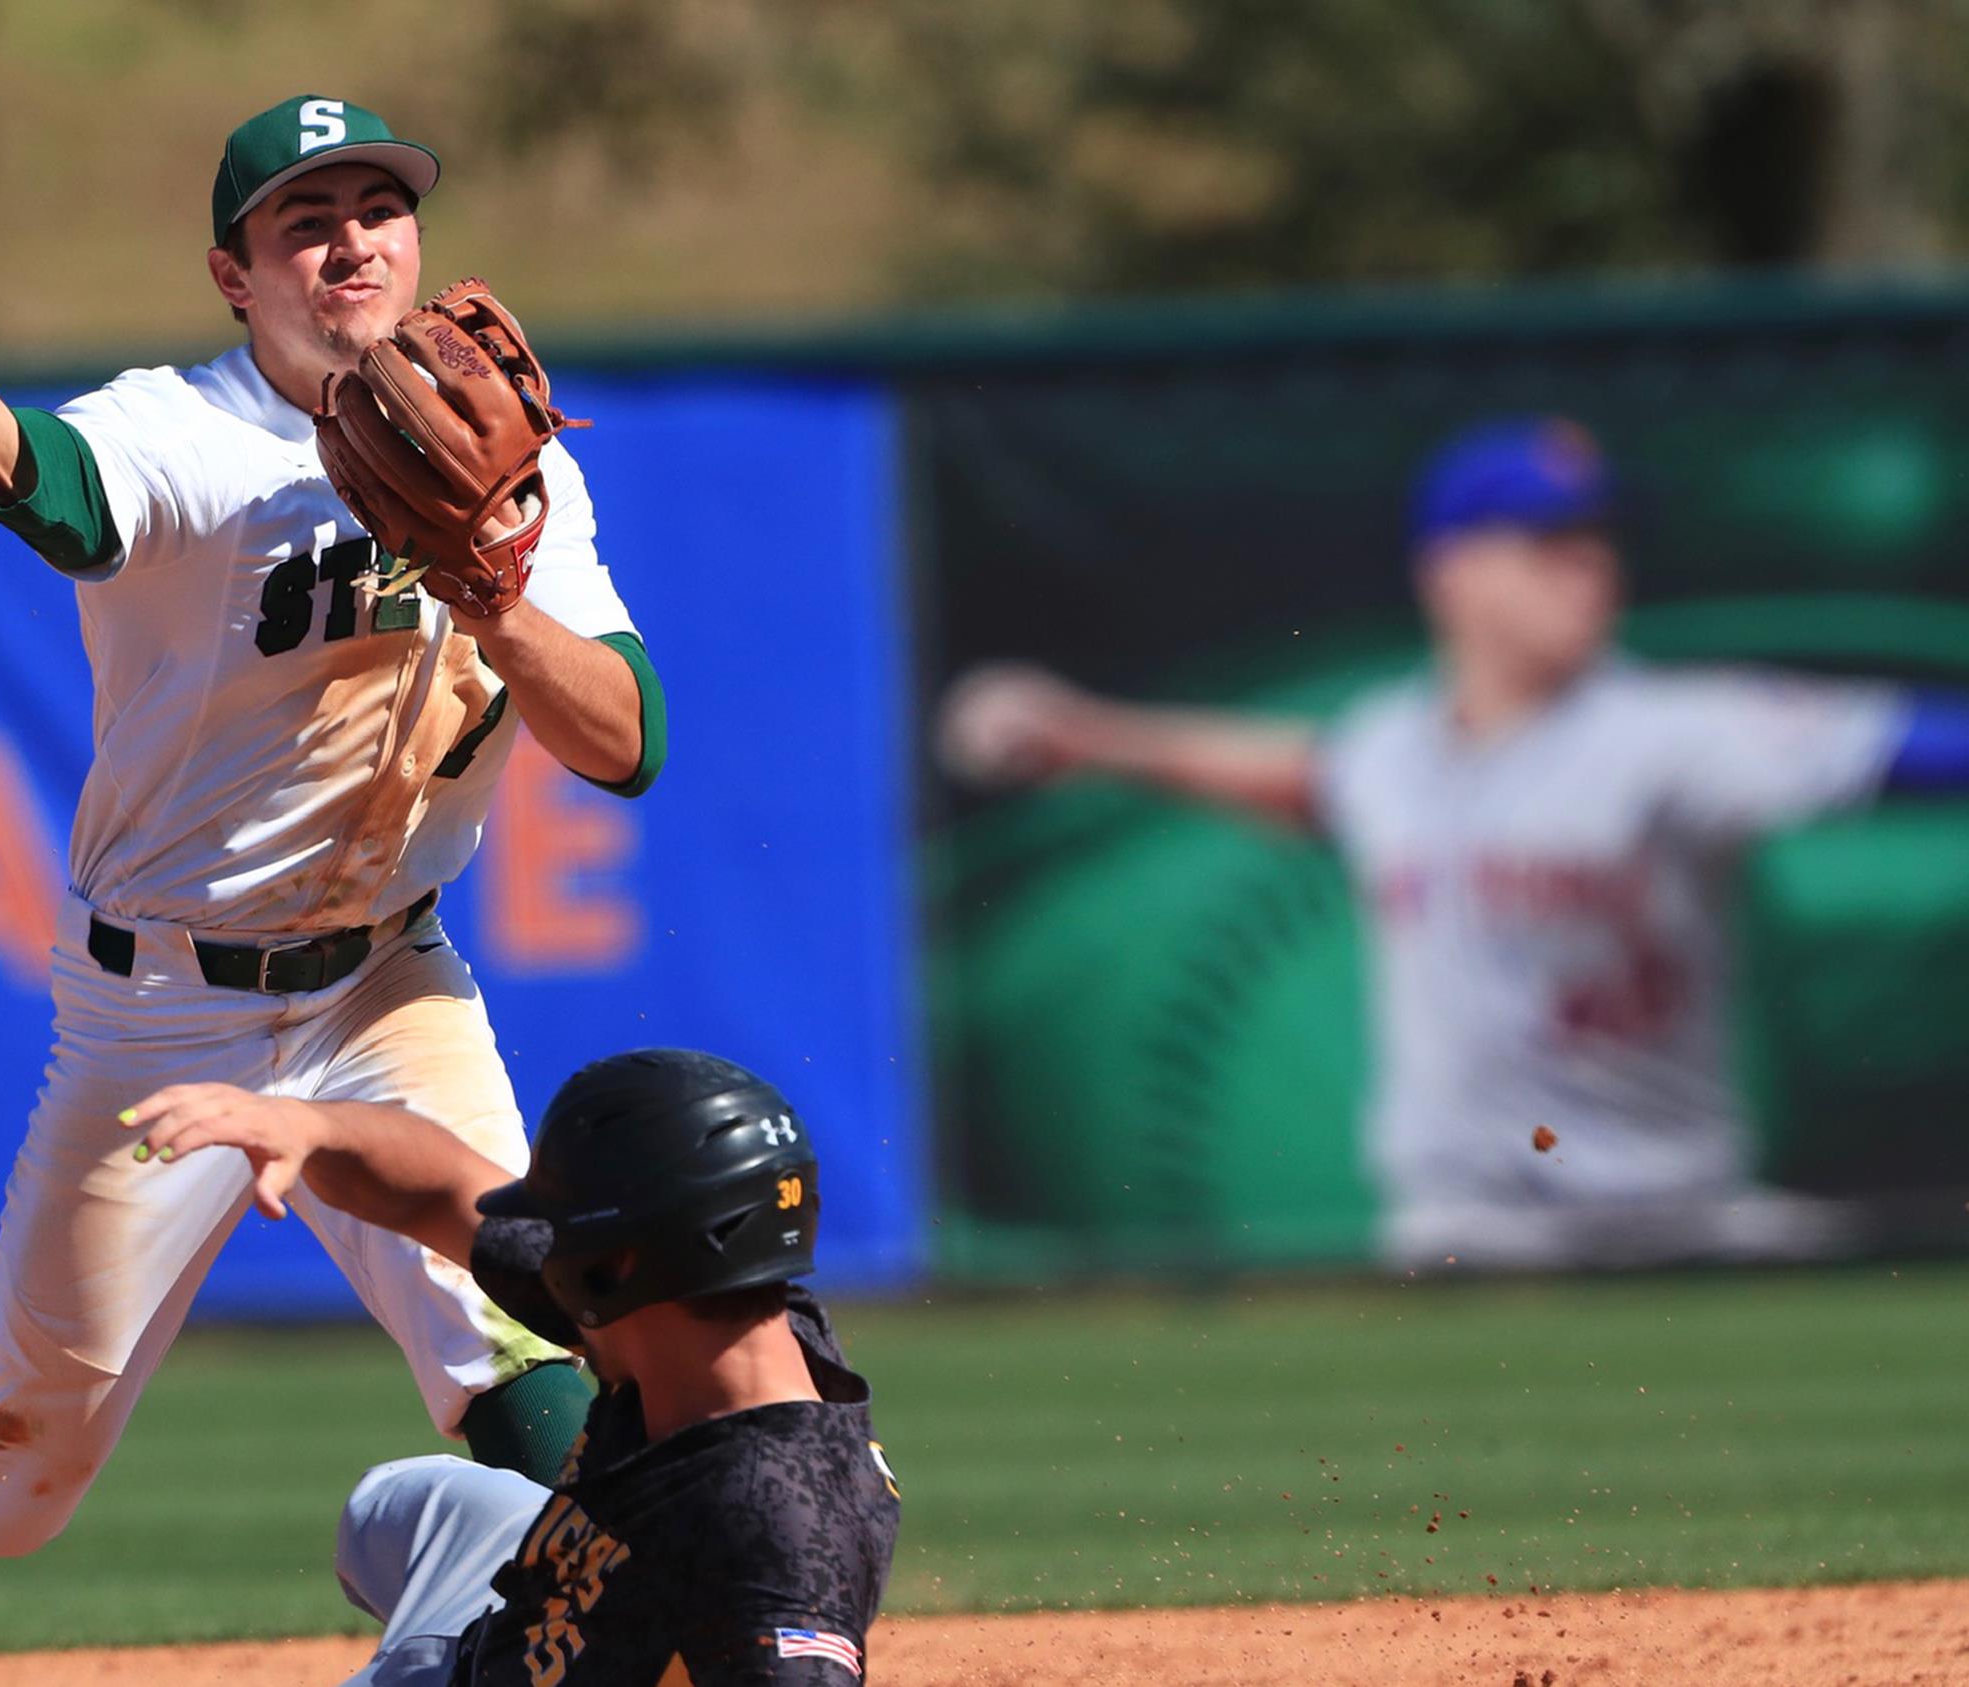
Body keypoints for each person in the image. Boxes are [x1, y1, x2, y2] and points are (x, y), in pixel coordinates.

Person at [0, 93, 669, 1685]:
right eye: (304, 222)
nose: (350, 245)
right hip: (161, 1005)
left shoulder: (507, 454)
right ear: (234, 274)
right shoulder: (180, 432)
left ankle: (561, 1656)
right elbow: (8, 469)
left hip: (390, 983)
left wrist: (498, 596)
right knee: (27, 1451)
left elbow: (628, 741)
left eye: (377, 209)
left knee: (527, 1330)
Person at [939, 417, 1969, 1272]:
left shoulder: (1669, 731)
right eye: (1551, 542)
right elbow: (1302, 775)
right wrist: (1090, 737)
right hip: (1465, 1236)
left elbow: (1907, 746)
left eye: (1601, 540)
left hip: (1673, 1216)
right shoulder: (1393, 751)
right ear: (1456, 572)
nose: (1592, 569)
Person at [123, 1047, 898, 1685]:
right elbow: (444, 1188)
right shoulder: (714, 1317)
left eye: (565, 1229)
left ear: (620, 1259)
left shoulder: (775, 1528)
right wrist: (308, 1123)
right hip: (521, 1611)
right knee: (388, 1504)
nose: (547, 1245)